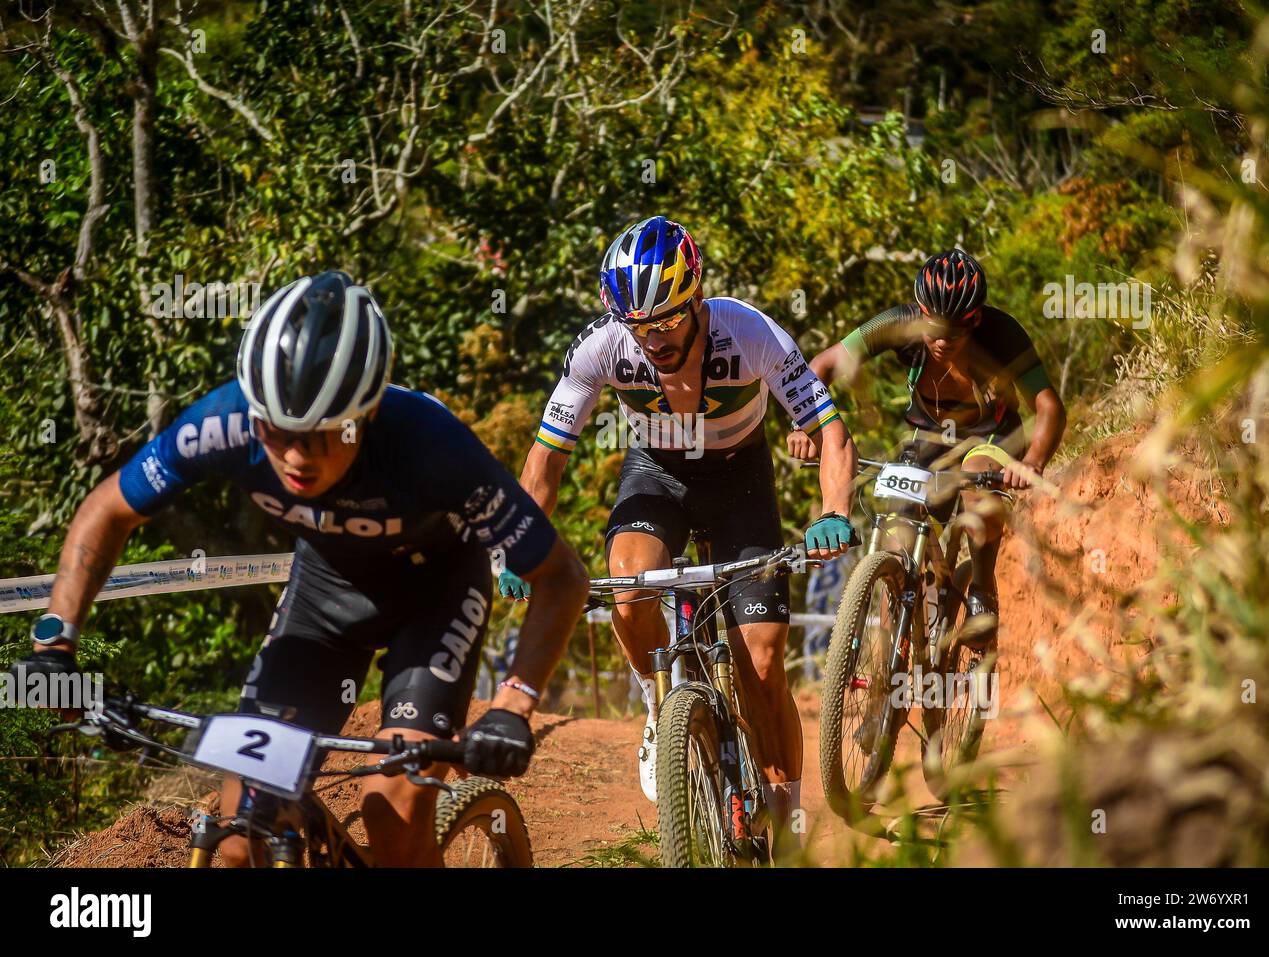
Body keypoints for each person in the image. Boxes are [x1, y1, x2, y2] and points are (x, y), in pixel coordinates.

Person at [13, 271, 588, 867]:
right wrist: (55, 641)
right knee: (238, 835)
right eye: (277, 432)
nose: (293, 457)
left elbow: (561, 576)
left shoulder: (430, 446)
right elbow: (108, 508)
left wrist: (514, 704)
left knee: (391, 812)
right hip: (325, 594)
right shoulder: (225, 424)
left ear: (363, 417)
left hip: (435, 594)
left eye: (317, 438)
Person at [502, 216, 858, 835]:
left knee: (765, 667)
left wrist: (833, 513)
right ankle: (658, 702)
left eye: (667, 320)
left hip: (738, 481)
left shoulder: (749, 332)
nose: (654, 339)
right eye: (639, 327)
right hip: (657, 474)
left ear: (695, 298)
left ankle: (790, 817)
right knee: (629, 582)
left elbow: (830, 430)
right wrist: (519, 548)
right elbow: (546, 458)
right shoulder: (602, 347)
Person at [788, 248, 1067, 644]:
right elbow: (824, 365)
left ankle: (982, 590)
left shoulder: (1002, 333)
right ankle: (903, 626)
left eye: (954, 332)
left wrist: (1034, 460)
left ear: (975, 321)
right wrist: (804, 423)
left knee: (976, 481)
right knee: (899, 531)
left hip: (991, 435)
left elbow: (1048, 404)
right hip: (929, 434)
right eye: (933, 327)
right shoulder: (898, 323)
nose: (941, 340)